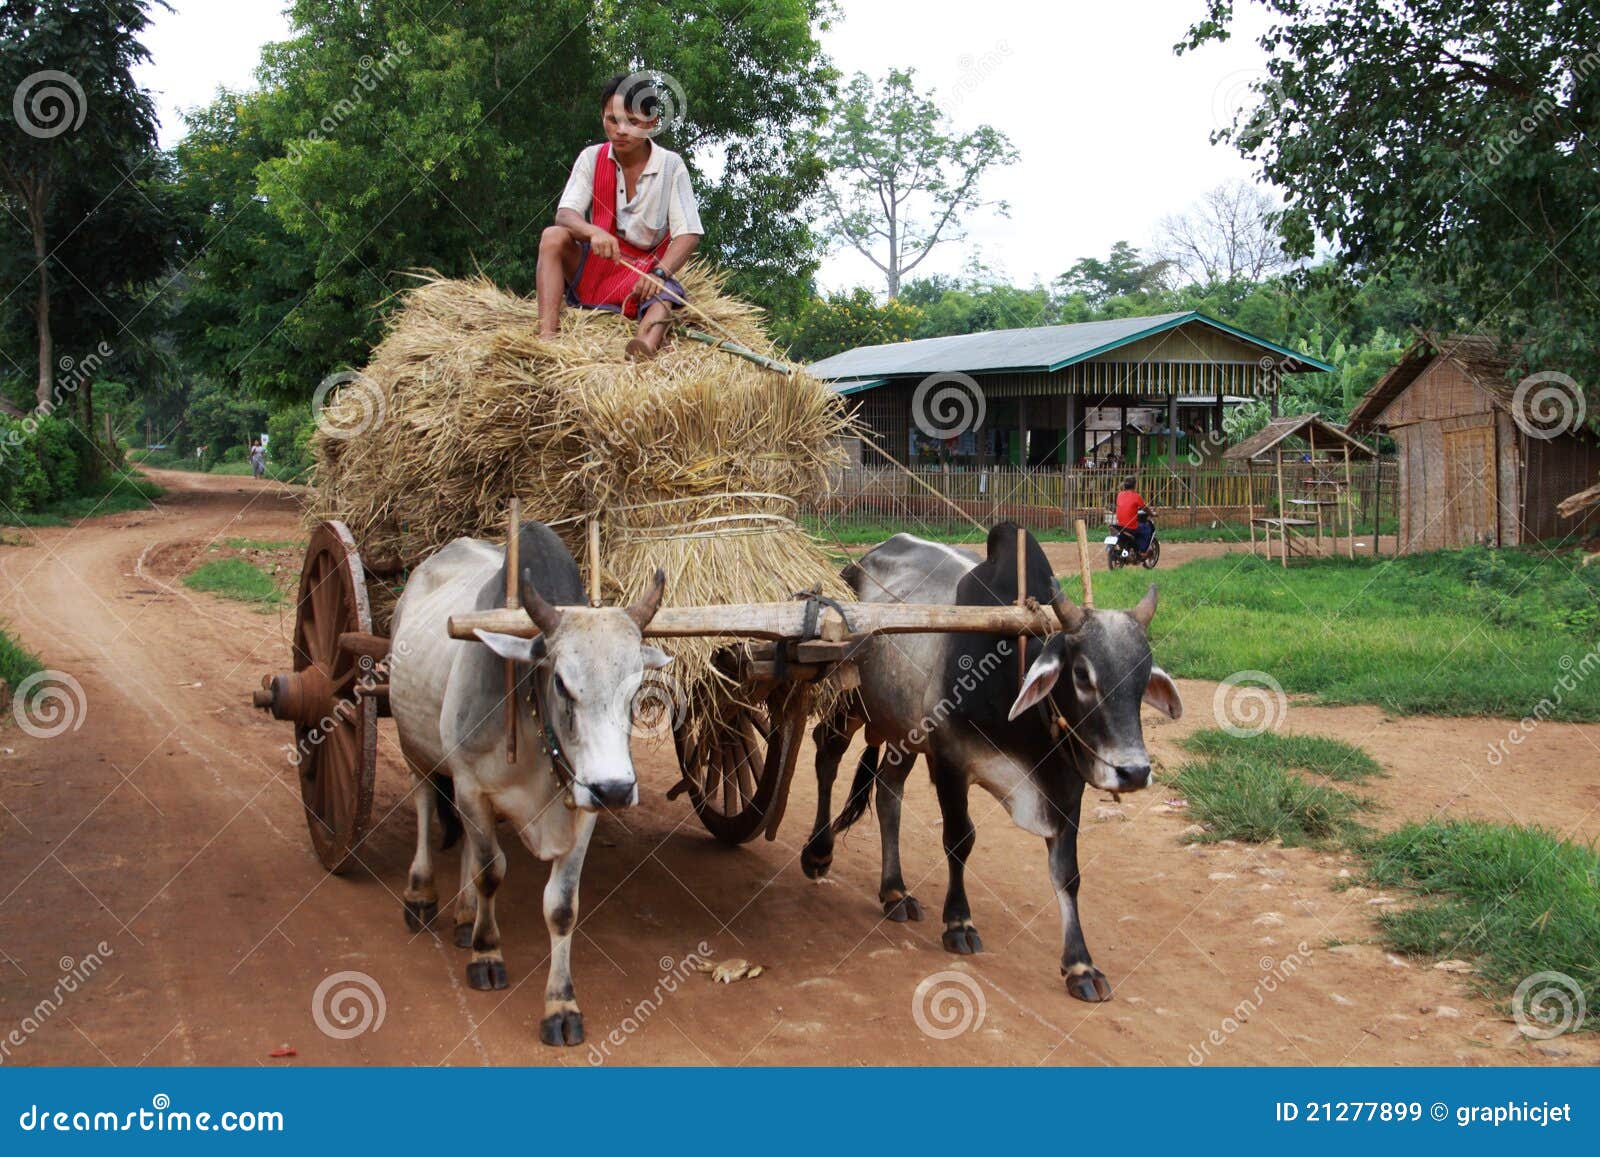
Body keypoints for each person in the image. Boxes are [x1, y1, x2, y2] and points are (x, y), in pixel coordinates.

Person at [537, 74, 704, 360]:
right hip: (596, 268)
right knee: (552, 236)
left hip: (643, 274)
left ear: (652, 123)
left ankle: (644, 344)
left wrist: (659, 273)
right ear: (602, 117)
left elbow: (688, 233)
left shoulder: (671, 167)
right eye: (612, 120)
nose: (620, 130)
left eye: (632, 122)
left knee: (666, 298)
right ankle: (547, 339)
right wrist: (591, 232)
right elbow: (565, 214)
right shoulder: (591, 158)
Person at [1114, 475, 1154, 557]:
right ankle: (1142, 551)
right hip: (1131, 527)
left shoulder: (1119, 495)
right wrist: (1152, 514)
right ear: (1135, 485)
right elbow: (1145, 508)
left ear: (1124, 485)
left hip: (1120, 526)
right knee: (1147, 528)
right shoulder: (1136, 496)